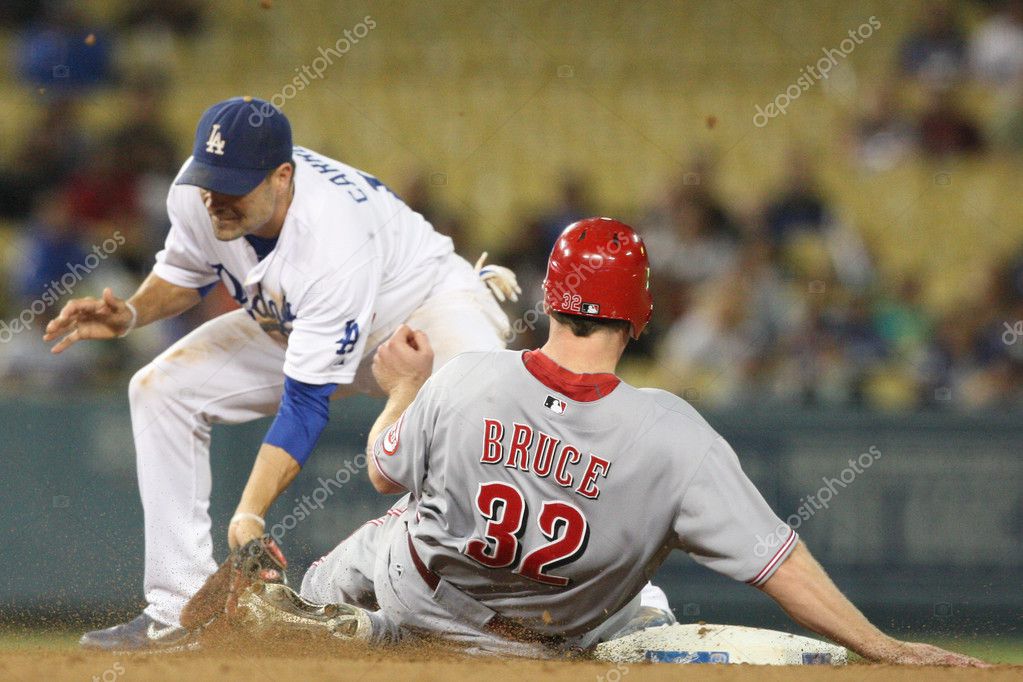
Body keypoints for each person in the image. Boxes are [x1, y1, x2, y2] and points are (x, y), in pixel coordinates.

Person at [241, 218, 986, 666]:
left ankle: (322, 627)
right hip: (548, 639)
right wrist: (880, 647)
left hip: (423, 596)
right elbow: (778, 564)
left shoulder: (465, 377)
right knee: (645, 600)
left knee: (381, 536)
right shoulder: (674, 436)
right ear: (641, 317)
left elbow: (380, 467)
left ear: (550, 301)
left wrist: (404, 386)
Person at [43, 97, 520, 650]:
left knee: (498, 433)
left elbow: (306, 405)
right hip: (304, 324)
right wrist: (130, 313)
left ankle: (612, 610)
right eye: (209, 181)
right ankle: (179, 611)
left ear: (282, 176)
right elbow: (185, 271)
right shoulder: (198, 193)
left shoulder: (331, 237)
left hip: (423, 314)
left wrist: (249, 514)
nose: (216, 198)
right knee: (160, 388)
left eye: (233, 185)